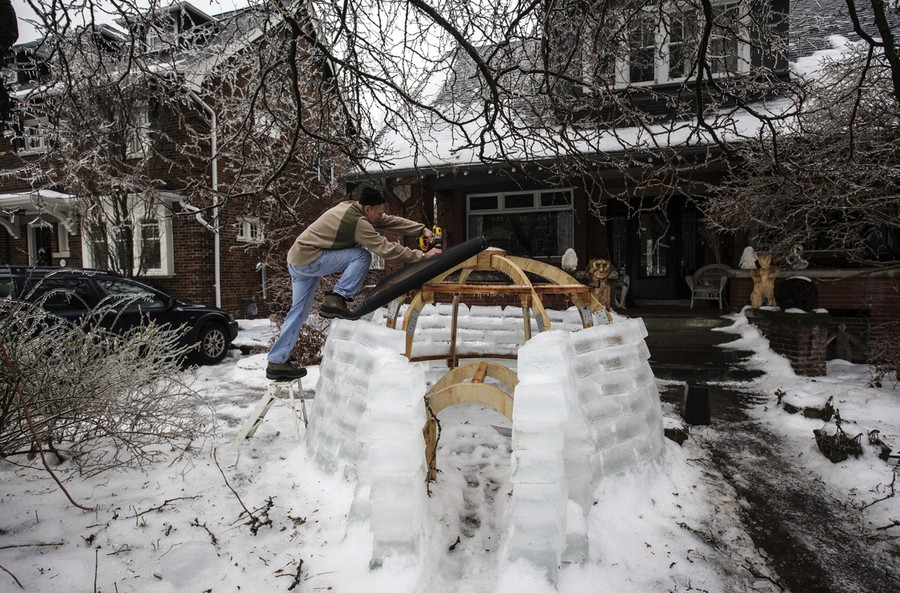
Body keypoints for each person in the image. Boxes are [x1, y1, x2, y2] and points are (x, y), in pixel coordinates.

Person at [265, 186, 442, 381]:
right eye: (379, 212)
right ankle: (336, 298)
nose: (381, 216)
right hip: (310, 260)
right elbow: (385, 249)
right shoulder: (359, 223)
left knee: (299, 311)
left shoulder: (352, 207)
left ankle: (277, 361)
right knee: (362, 255)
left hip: (297, 260)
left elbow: (389, 221)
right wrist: (421, 256)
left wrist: (420, 229)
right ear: (368, 209)